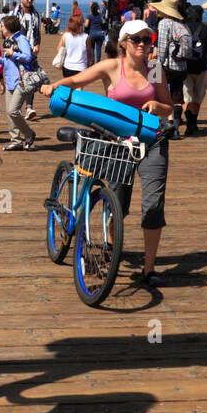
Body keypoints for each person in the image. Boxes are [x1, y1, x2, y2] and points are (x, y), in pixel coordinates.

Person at [41, 20, 173, 287]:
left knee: (153, 204)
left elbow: (168, 106)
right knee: (117, 201)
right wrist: (55, 87)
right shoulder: (112, 66)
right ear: (124, 43)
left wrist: (155, 105)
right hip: (118, 143)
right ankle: (112, 249)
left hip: (153, 141)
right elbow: (77, 79)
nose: (143, 44)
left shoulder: (156, 69)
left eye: (147, 40)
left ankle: (149, 268)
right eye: (136, 39)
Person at [154, 0, 192, 139]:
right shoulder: (182, 24)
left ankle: (166, 126)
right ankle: (175, 129)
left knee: (162, 95)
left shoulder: (165, 23)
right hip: (181, 66)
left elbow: (162, 46)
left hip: (168, 65)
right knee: (177, 96)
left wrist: (158, 64)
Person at [0, 14, 37, 150]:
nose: (1, 28)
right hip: (10, 80)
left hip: (21, 81)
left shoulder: (21, 40)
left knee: (13, 111)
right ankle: (15, 140)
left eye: (3, 26)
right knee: (10, 113)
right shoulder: (8, 40)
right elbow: (8, 61)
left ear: (8, 27)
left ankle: (29, 133)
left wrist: (13, 54)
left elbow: (28, 57)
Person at [183, 5, 207, 135]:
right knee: (198, 96)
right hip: (203, 67)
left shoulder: (182, 28)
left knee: (186, 96)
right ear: (201, 15)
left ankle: (189, 123)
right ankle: (194, 123)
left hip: (185, 67)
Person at [16, 0, 42, 120]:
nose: (29, 1)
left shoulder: (36, 15)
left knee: (31, 79)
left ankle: (29, 107)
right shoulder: (15, 13)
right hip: (18, 51)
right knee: (19, 79)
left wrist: (37, 45)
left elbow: (38, 32)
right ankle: (17, 107)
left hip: (32, 52)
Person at [58, 10, 91, 78]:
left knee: (68, 86)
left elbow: (59, 49)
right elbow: (89, 53)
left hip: (68, 66)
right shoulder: (86, 37)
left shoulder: (65, 35)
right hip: (81, 67)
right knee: (79, 87)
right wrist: (88, 64)